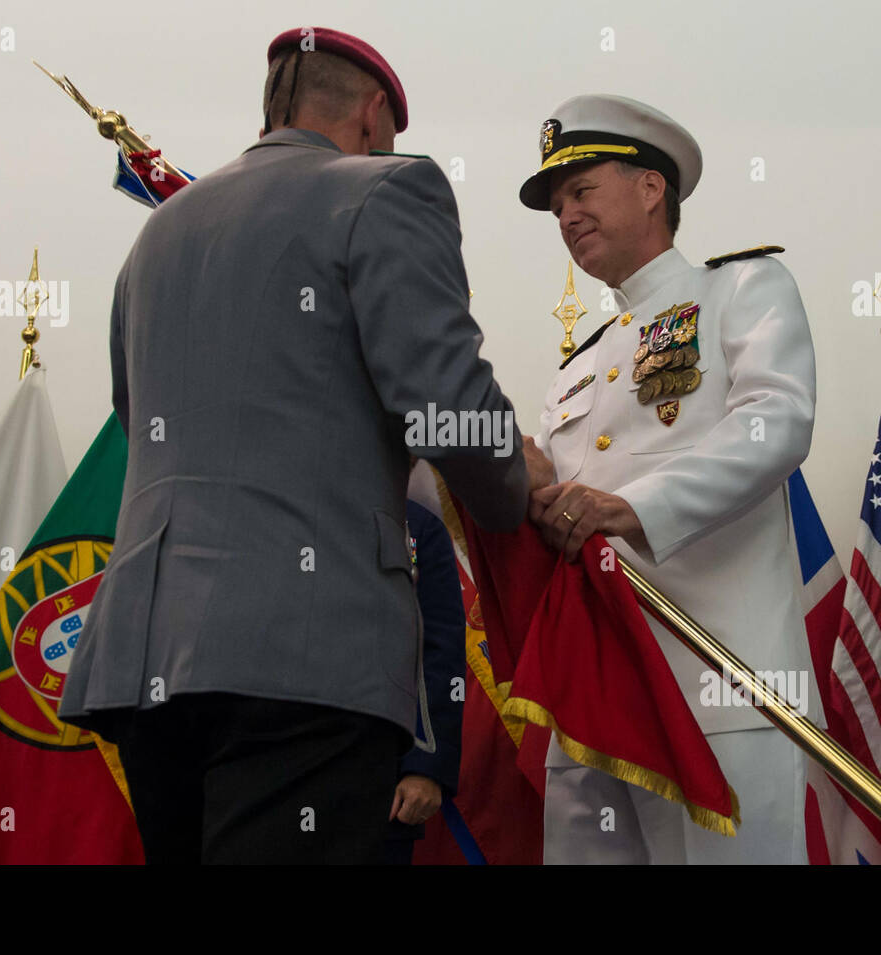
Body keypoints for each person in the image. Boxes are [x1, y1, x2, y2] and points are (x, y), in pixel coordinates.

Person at [58, 27, 529, 864]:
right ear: (374, 114)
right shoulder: (388, 189)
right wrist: (517, 487)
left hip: (144, 658)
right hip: (308, 654)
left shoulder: (159, 235)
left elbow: (141, 422)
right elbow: (446, 404)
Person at [518, 94, 820, 864]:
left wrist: (630, 507)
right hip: (597, 688)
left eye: (582, 191)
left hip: (722, 684)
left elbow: (776, 422)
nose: (567, 216)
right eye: (557, 206)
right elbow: (558, 500)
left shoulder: (740, 291)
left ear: (652, 187)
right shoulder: (575, 367)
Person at [383, 498, 465, 865]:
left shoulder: (417, 526)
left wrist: (425, 766)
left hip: (379, 778)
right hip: (260, 764)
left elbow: (438, 652)